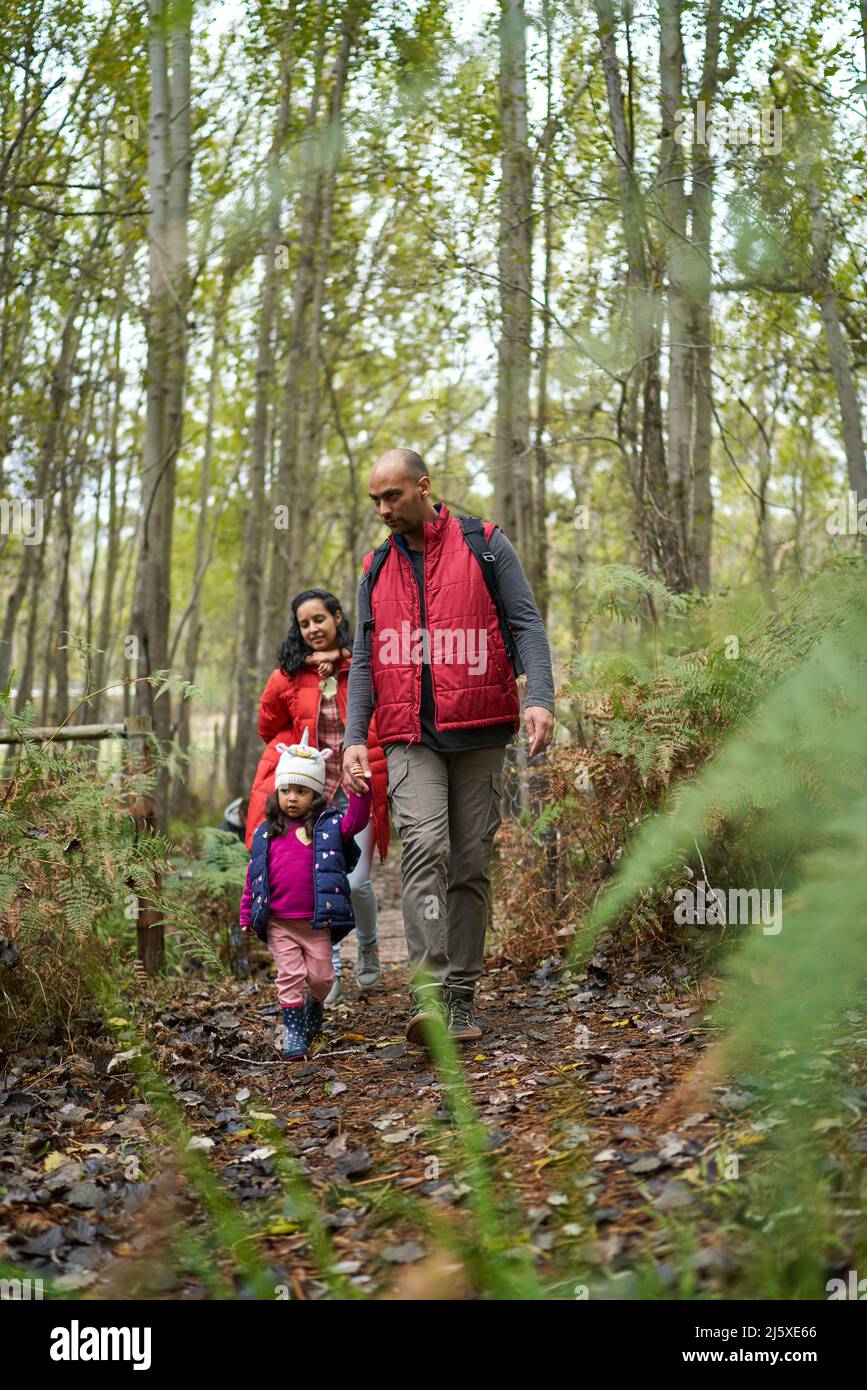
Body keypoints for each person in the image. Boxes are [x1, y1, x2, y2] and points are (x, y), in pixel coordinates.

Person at [342, 448, 555, 1047]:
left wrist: (539, 696)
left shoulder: (485, 543)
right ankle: (429, 996)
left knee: (469, 863)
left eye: (393, 497)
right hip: (410, 736)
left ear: (424, 487)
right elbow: (364, 656)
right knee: (424, 849)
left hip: (482, 727)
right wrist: (357, 737)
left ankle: (462, 996)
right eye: (375, 500)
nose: (383, 509)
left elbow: (526, 623)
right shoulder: (376, 567)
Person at [244, 589, 390, 1004]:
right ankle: (335, 967)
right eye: (304, 624)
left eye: (319, 619)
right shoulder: (287, 676)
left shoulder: (360, 665)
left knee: (357, 881)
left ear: (338, 617)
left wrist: (342, 659)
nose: (312, 629)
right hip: (311, 796)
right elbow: (267, 725)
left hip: (355, 784)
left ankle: (370, 942)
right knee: (322, 881)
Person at [239, 730, 372, 1059]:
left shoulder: (327, 827)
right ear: (277, 792)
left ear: (315, 794)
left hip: (316, 922)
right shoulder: (267, 832)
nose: (292, 798)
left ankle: (315, 1005)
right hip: (280, 923)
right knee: (291, 975)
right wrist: (246, 913)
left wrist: (360, 792)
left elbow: (355, 821)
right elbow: (253, 876)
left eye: (301, 791)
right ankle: (294, 1032)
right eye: (286, 790)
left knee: (322, 978)